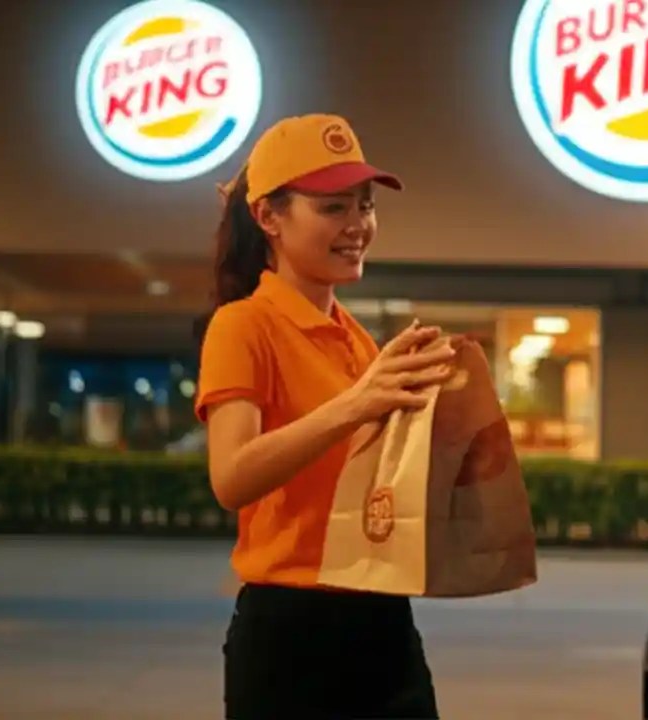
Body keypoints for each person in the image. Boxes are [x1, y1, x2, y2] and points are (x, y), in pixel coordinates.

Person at [194, 113, 454, 719]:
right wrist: (359, 403)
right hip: (291, 633)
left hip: (383, 621)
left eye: (365, 206)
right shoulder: (243, 325)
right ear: (269, 216)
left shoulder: (359, 341)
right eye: (333, 207)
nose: (357, 225)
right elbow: (231, 477)